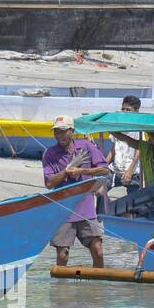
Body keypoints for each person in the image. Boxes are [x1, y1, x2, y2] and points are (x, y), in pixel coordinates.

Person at [42, 115, 110, 268]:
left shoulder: (86, 146)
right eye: (56, 132)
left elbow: (105, 170)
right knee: (62, 256)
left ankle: (97, 287)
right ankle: (61, 288)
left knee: (98, 250)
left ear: (72, 130)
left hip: (86, 210)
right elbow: (49, 183)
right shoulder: (50, 153)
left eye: (63, 131)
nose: (59, 135)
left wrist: (81, 169)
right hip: (63, 211)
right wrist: (66, 172)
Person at [107, 95, 143, 195]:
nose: (125, 112)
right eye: (123, 109)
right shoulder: (117, 127)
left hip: (133, 171)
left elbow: (139, 151)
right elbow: (113, 149)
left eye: (128, 110)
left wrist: (130, 171)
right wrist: (103, 164)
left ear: (136, 112)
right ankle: (100, 209)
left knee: (133, 199)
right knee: (99, 190)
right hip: (115, 169)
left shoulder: (139, 128)